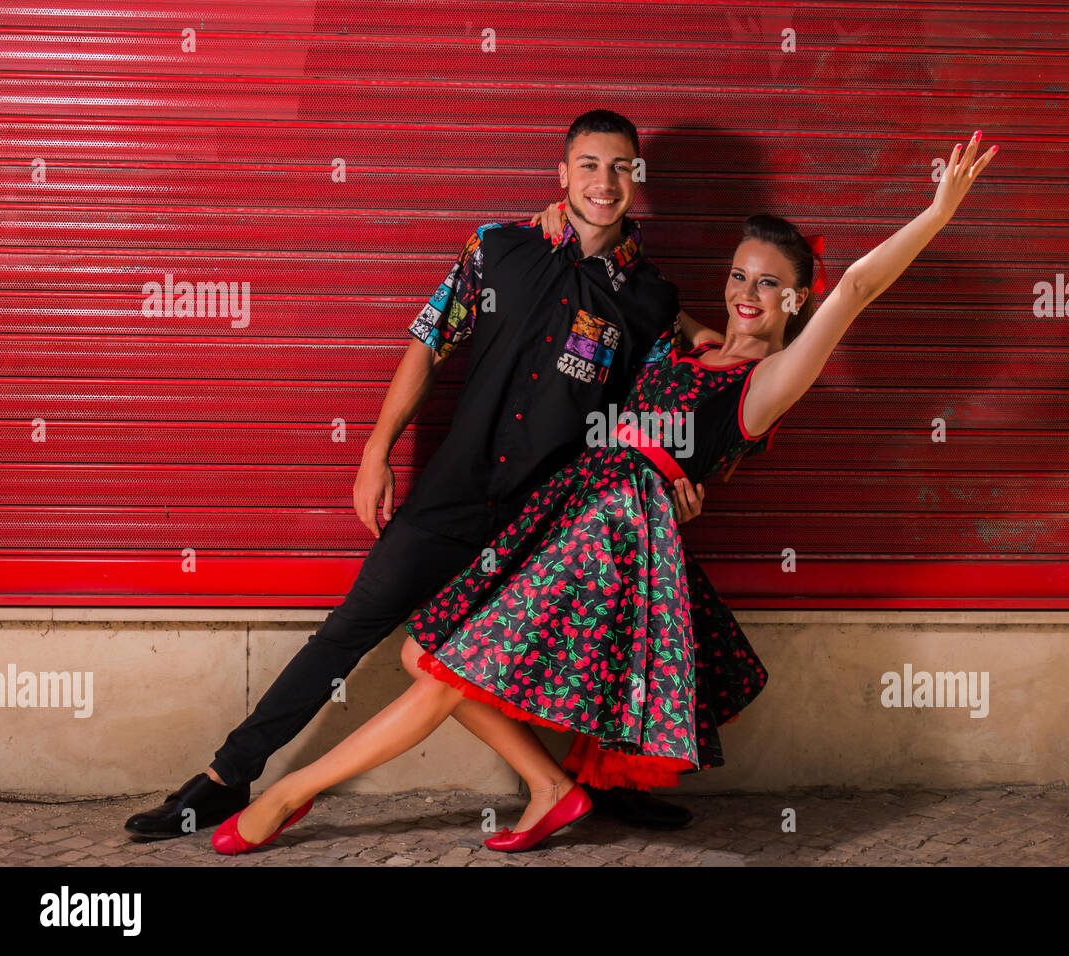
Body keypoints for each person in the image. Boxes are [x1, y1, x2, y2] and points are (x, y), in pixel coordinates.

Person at [210, 131, 999, 854]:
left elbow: (856, 287)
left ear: (798, 301)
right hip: (569, 508)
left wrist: (938, 210)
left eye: (769, 285)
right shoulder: (687, 340)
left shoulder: (767, 384)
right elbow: (622, 314)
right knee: (426, 651)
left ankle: (287, 793)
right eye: (738, 275)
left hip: (610, 536)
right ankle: (551, 788)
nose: (747, 294)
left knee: (445, 669)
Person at [124, 109, 726, 842]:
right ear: (563, 174)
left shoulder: (651, 300)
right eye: (591, 165)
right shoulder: (496, 249)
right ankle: (226, 778)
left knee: (598, 641)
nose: (607, 181)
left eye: (622, 167)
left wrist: (674, 481)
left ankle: (605, 782)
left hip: (548, 524)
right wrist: (377, 448)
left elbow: (654, 415)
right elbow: (427, 343)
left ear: (638, 180)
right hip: (451, 496)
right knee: (344, 634)